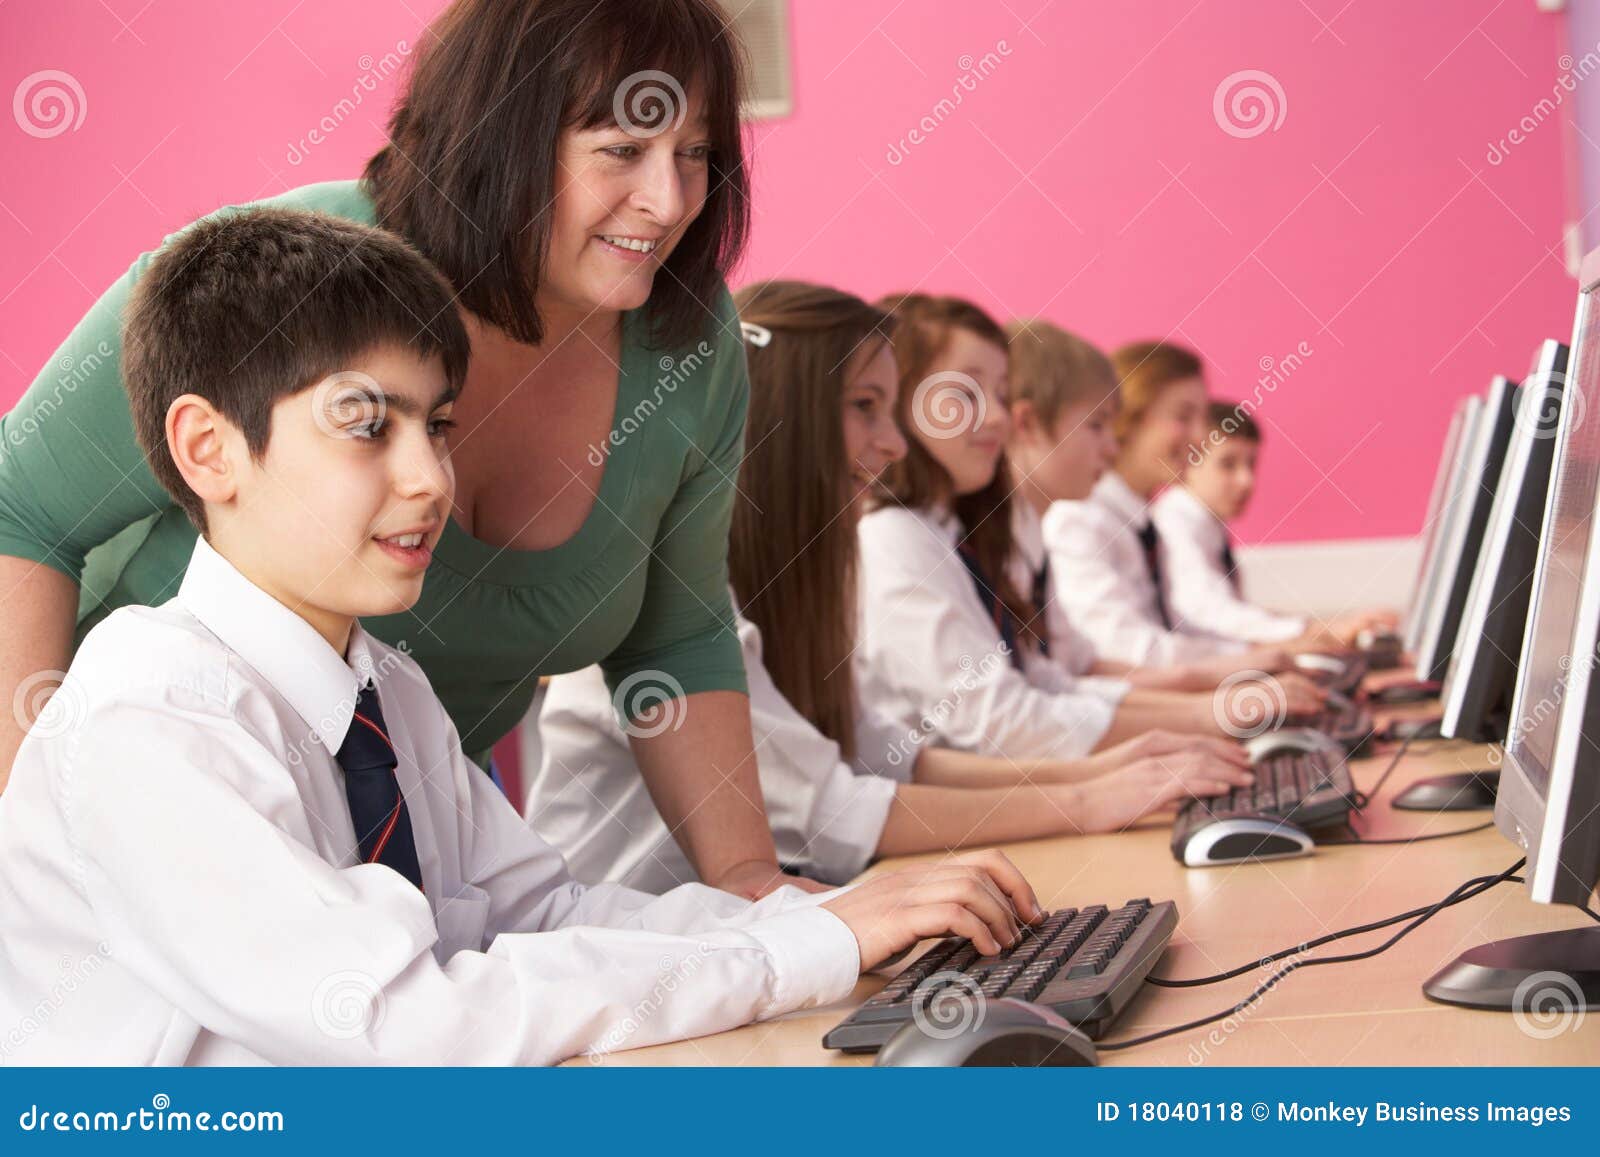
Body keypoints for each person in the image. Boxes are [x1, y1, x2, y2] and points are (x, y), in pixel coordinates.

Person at [0, 210, 1045, 1066]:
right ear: (208, 448)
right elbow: (407, 1023)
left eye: (437, 424)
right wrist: (798, 956)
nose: (428, 477)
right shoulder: (154, 711)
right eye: (370, 425)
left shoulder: (385, 688)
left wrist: (817, 925)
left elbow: (539, 911)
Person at [0, 0, 798, 899]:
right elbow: (17, 508)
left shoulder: (689, 342)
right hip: (163, 822)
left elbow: (678, 637)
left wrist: (754, 886)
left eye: (695, 154)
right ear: (500, 137)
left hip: (411, 835)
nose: (670, 200)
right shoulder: (294, 273)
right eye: (622, 150)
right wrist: (39, 859)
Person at [528, 283, 1252, 891]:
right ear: (787, 420)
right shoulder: (678, 598)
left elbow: (888, 752)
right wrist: (1086, 797)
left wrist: (1093, 775)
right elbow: (836, 811)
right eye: (865, 406)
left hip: (715, 956)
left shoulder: (808, 578)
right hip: (631, 990)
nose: (897, 439)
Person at [853, 296, 1320, 764]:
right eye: (1097, 426)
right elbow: (1002, 721)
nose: (996, 417)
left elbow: (1052, 677)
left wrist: (1211, 707)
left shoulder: (953, 533)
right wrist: (1207, 714)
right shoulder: (895, 538)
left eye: (997, 393)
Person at [1004, 320, 1327, 696]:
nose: (1198, 436)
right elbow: (1125, 649)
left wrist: (1264, 656)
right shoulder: (1076, 519)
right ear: (1131, 418)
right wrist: (1258, 656)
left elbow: (1173, 627)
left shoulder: (1141, 523)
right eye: (1184, 417)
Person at [1153, 402, 1396, 647]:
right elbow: (1211, 613)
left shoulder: (1207, 526)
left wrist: (1319, 629)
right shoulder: (1173, 526)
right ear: (1186, 464)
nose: (1246, 480)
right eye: (1228, 464)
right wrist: (1318, 631)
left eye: (1251, 464)